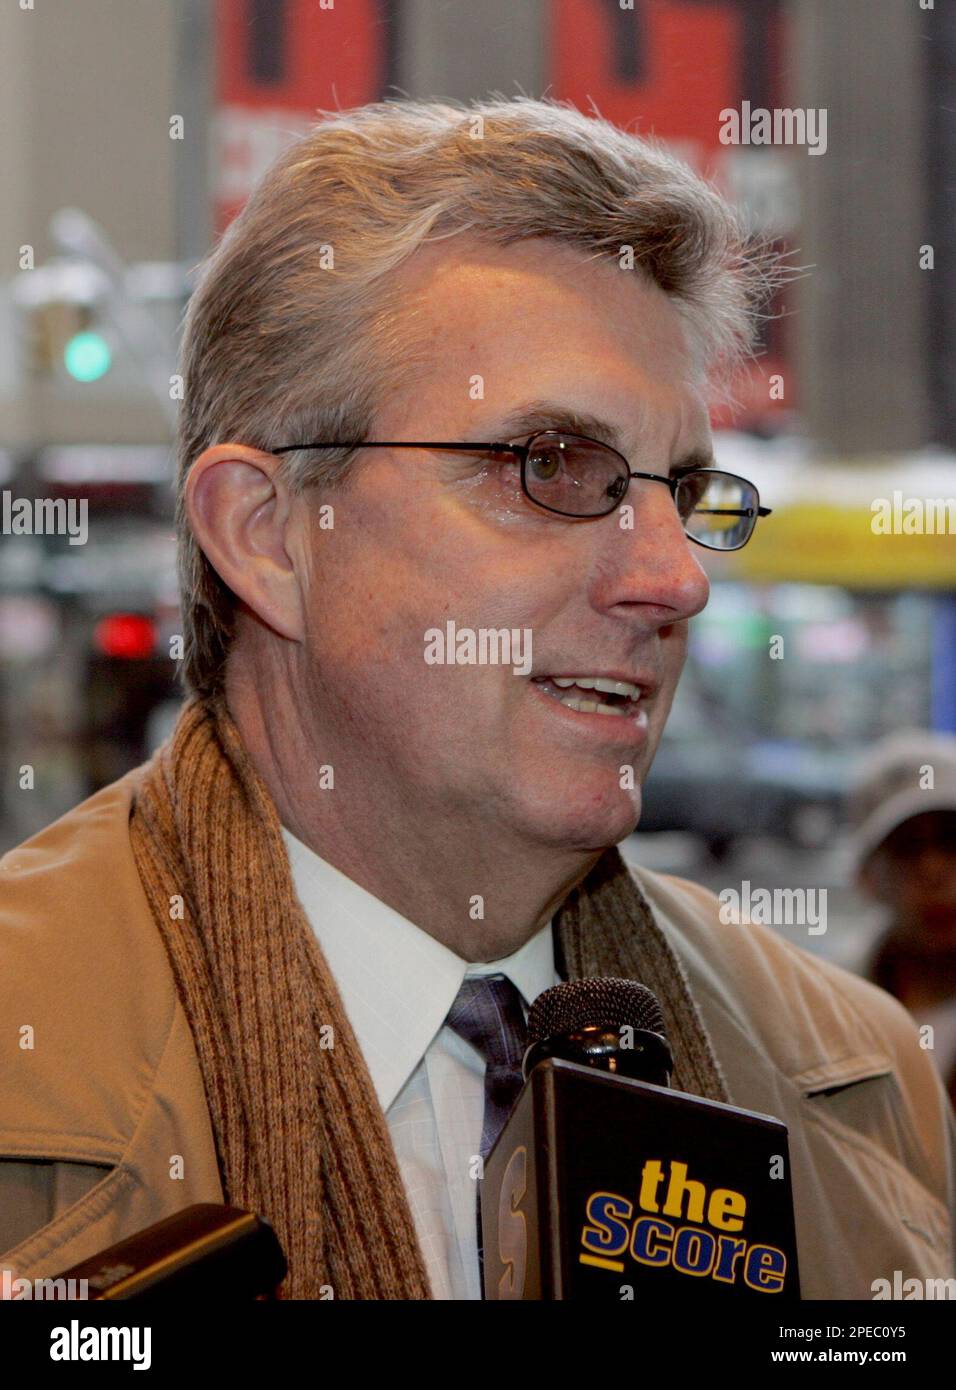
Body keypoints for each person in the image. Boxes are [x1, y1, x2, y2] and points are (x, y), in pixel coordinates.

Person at [1, 96, 953, 1301]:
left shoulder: (861, 1075)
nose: (672, 580)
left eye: (686, 491)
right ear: (268, 534)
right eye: (549, 467)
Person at [848, 730, 956, 1108]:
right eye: (908, 846)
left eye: (951, 840)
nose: (934, 870)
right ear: (867, 877)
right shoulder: (827, 1011)